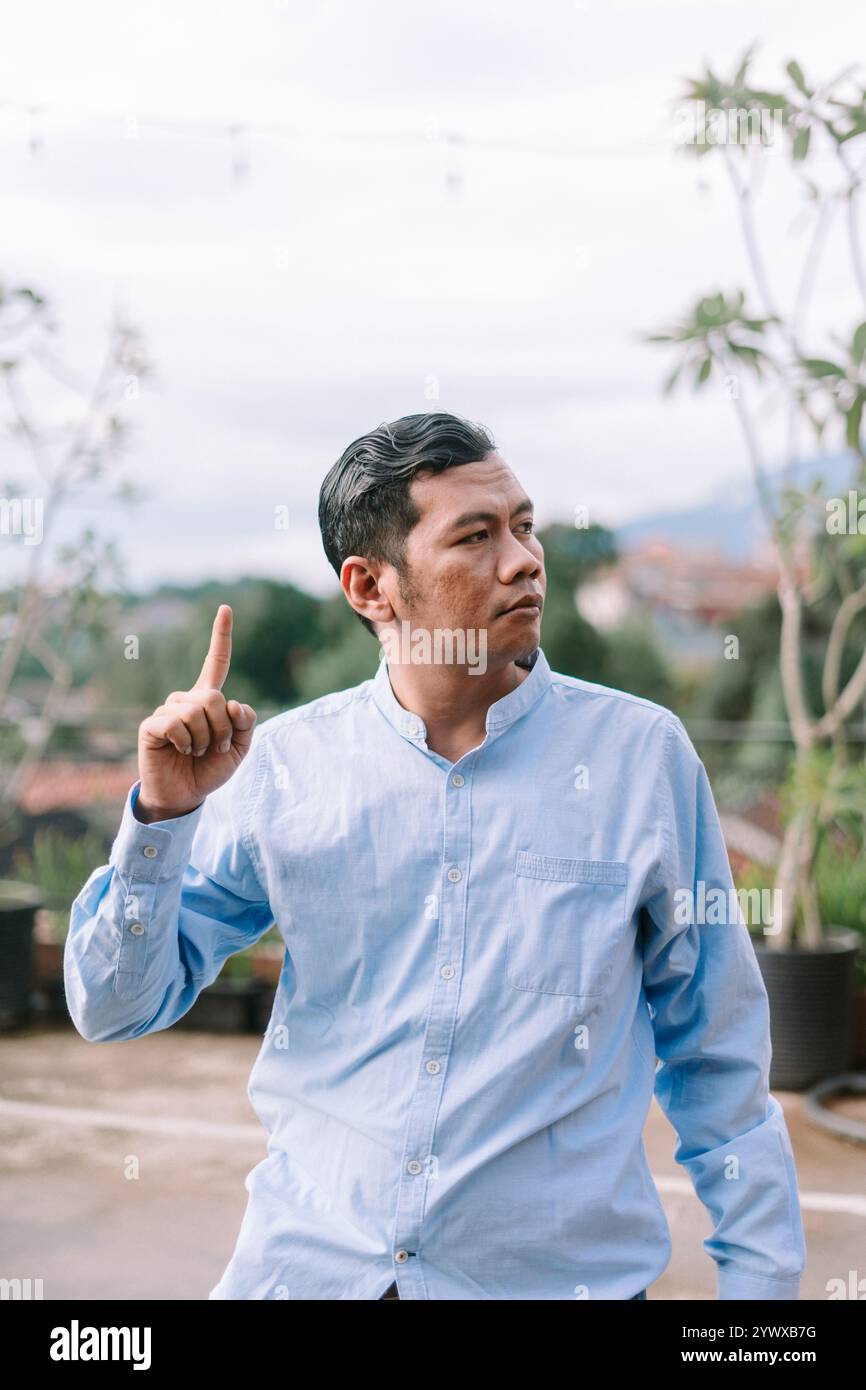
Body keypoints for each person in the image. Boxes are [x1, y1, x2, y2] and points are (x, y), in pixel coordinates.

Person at [65, 411, 806, 1301]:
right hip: (311, 1278)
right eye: (476, 536)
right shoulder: (285, 771)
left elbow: (719, 1059)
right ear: (371, 587)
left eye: (525, 527)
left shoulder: (639, 761)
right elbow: (111, 1008)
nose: (525, 559)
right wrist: (161, 818)